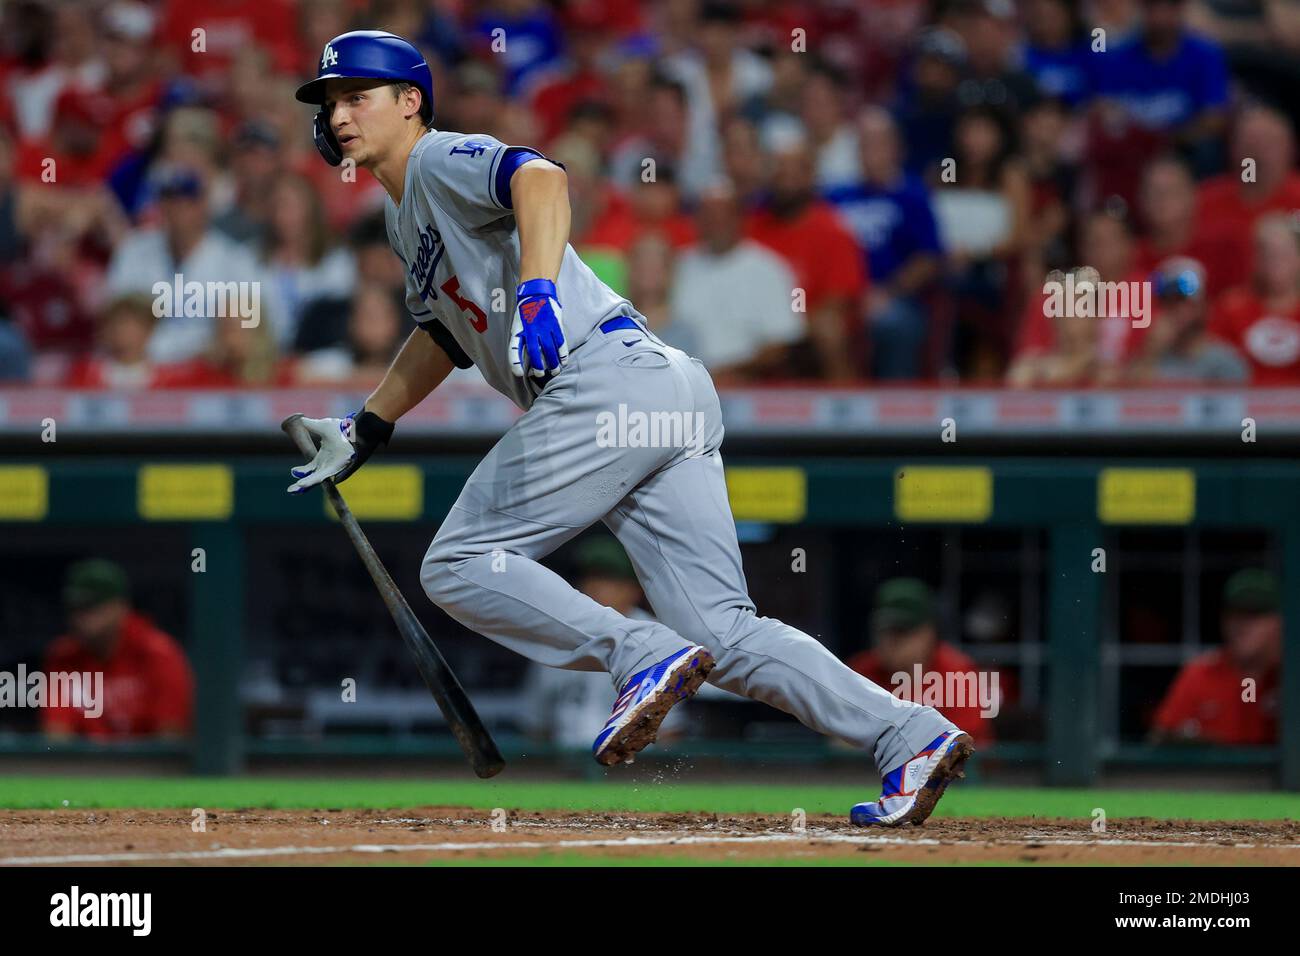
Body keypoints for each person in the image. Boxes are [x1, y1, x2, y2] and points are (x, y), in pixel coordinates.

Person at [285, 31, 972, 827]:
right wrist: (369, 424)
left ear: (410, 101)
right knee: (724, 633)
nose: (338, 113)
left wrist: (539, 289)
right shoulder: (406, 221)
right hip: (661, 389)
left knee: (461, 562)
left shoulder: (438, 158)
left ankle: (637, 655)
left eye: (355, 95)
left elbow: (540, 177)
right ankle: (910, 733)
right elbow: (442, 333)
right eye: (331, 100)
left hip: (602, 380)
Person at [522, 536, 689, 749]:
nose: (595, 588)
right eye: (591, 578)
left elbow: (670, 730)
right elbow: (537, 725)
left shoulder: (657, 640)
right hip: (567, 770)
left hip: (633, 771)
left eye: (608, 580)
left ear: (634, 589)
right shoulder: (557, 636)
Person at [41, 559, 195, 739]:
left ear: (121, 607)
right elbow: (57, 736)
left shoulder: (158, 652)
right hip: (85, 765)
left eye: (91, 607)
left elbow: (171, 737)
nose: (80, 617)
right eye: (74, 608)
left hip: (147, 764)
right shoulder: (63, 656)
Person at [847, 578, 999, 748]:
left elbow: (965, 746)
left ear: (928, 633)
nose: (890, 640)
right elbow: (839, 741)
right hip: (866, 774)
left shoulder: (956, 672)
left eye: (901, 631)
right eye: (884, 630)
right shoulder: (862, 671)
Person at [1151, 569, 1281, 745]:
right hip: (1215, 774)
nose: (1241, 626)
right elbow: (1159, 739)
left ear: (1280, 621)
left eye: (1253, 616)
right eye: (1234, 615)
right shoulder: (1201, 673)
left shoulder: (1290, 676)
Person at [1125, 257, 1248, 383]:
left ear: (1203, 306)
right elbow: (1131, 393)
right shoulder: (1150, 355)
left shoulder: (1225, 363)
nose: (1177, 310)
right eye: (1168, 302)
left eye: (1183, 301)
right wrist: (1150, 353)